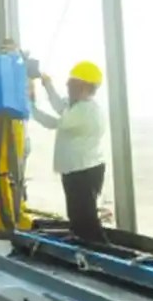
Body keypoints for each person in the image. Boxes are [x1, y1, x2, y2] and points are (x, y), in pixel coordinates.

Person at [32, 61, 108, 245]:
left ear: (83, 86)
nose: (67, 85)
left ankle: (98, 248)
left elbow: (54, 122)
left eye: (71, 82)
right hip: (77, 169)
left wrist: (30, 108)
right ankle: (82, 242)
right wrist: (47, 83)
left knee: (85, 216)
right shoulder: (77, 105)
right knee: (76, 213)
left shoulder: (86, 110)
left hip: (84, 170)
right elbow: (59, 105)